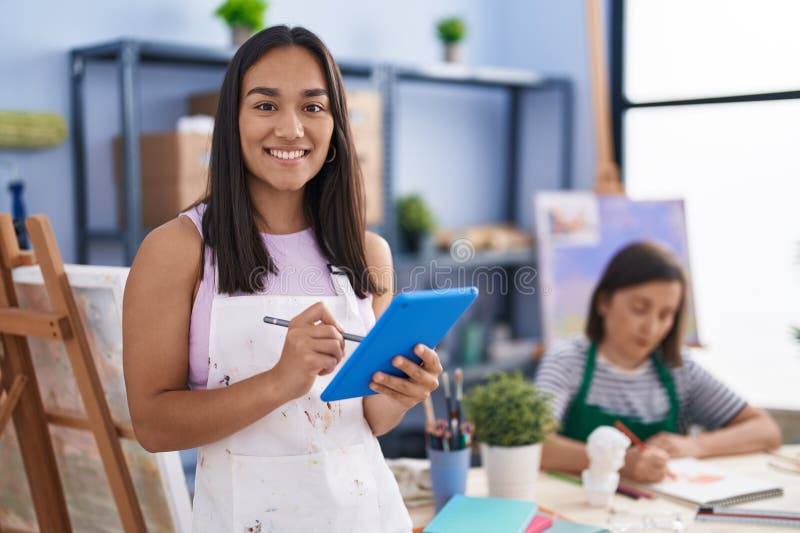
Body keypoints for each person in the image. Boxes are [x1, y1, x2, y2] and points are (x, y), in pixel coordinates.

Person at [123, 25, 440, 532]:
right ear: (233, 122)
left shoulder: (366, 252)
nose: (292, 129)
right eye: (266, 105)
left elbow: (370, 418)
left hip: (366, 516)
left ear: (335, 126)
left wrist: (404, 392)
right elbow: (153, 425)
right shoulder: (176, 249)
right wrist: (278, 382)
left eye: (313, 107)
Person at [535, 241, 781, 483]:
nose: (651, 328)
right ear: (604, 302)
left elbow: (766, 430)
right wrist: (619, 462)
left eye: (665, 315)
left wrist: (696, 445)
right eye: (639, 308)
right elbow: (535, 444)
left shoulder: (680, 370)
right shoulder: (566, 361)